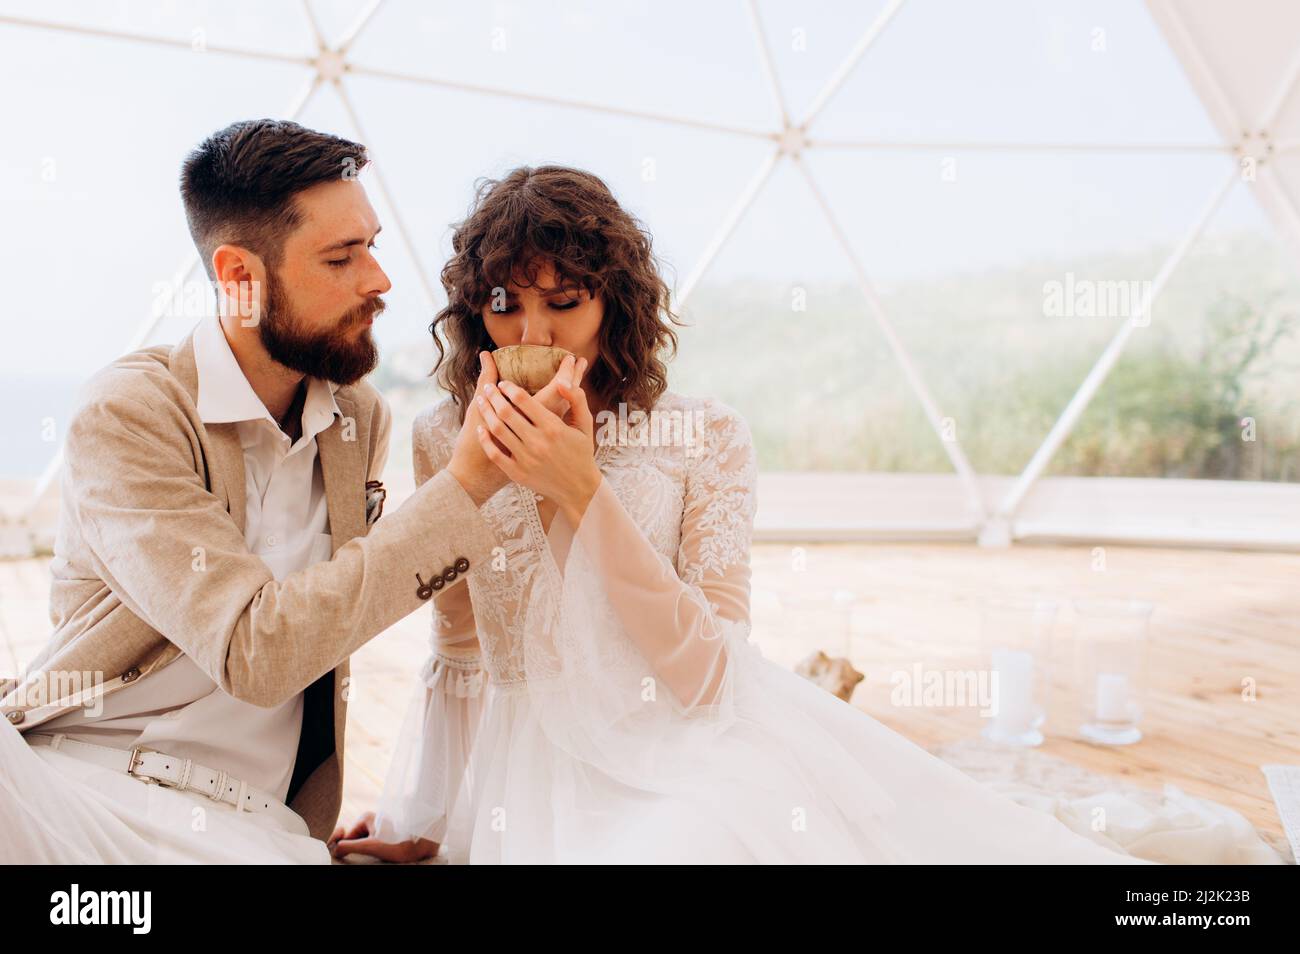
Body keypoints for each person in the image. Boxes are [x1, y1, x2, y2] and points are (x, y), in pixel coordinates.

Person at [330, 166, 1163, 864]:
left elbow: (711, 679)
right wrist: (422, 812)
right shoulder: (449, 435)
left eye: (566, 303)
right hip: (528, 774)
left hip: (685, 749)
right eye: (504, 303)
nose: (531, 331)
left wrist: (580, 491)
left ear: (615, 305)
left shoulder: (708, 437)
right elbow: (463, 649)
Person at [0, 120, 571, 863]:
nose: (379, 280)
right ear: (238, 277)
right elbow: (255, 649)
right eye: (342, 257)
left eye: (371, 244)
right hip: (84, 787)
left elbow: (348, 615)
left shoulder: (356, 419)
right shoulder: (130, 413)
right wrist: (468, 485)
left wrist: (419, 812)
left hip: (250, 829)